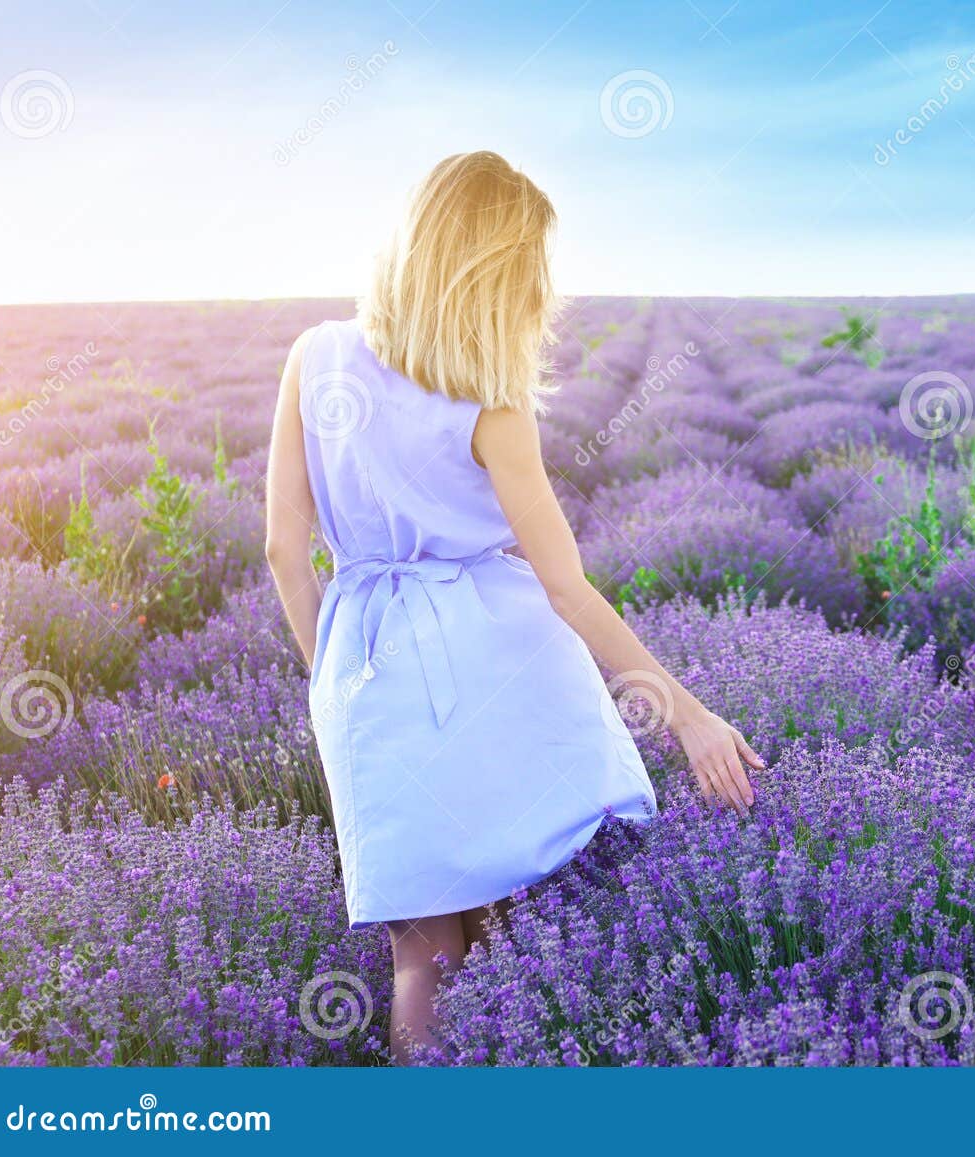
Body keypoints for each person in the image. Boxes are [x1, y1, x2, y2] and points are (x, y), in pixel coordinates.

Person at [263, 151, 762, 1064]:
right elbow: (566, 586)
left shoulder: (315, 356)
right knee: (519, 912)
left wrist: (331, 682)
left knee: (422, 953)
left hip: (366, 663)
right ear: (503, 274)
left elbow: (283, 551)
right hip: (495, 668)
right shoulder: (491, 405)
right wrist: (686, 715)